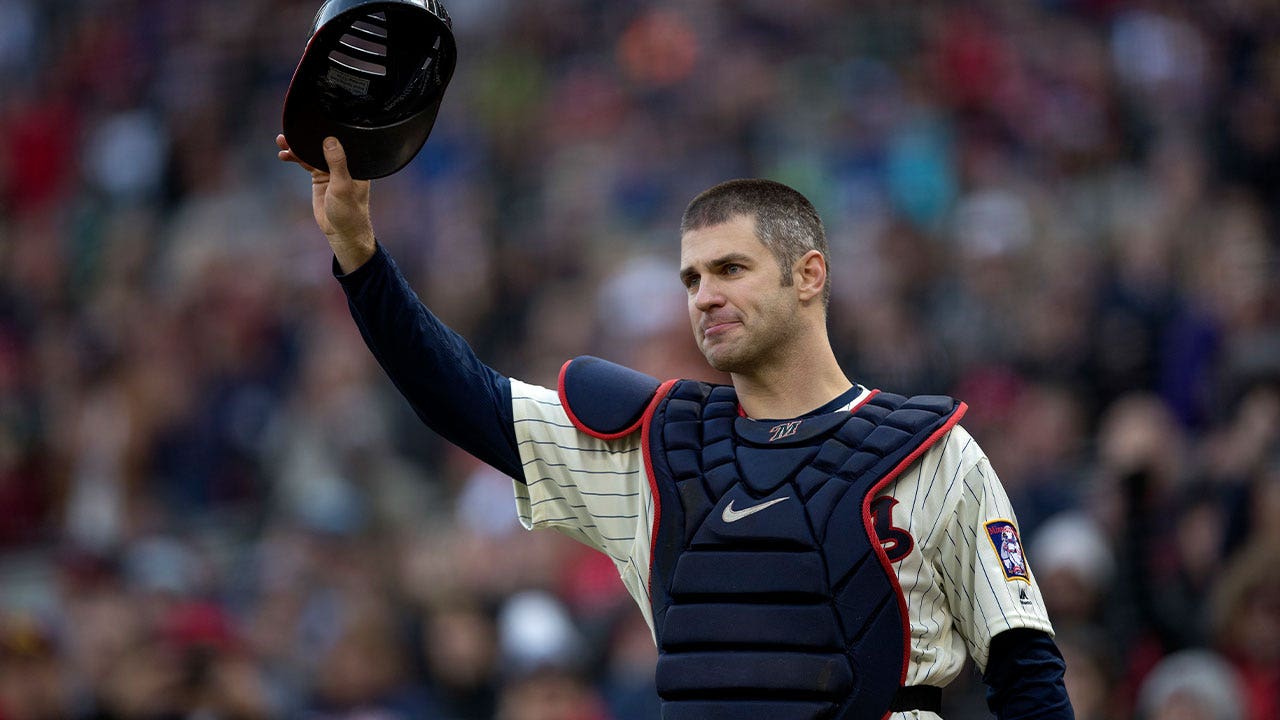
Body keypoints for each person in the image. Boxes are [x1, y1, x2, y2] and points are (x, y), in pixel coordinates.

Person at [275, 134, 1074, 719]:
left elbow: (1028, 674)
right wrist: (358, 252)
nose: (702, 296)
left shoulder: (934, 452)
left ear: (809, 275)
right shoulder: (655, 449)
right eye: (690, 277)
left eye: (730, 269)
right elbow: (461, 398)